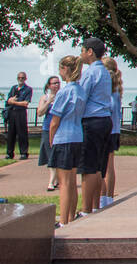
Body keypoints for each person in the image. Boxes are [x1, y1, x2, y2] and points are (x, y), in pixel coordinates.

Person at [76, 38, 113, 216]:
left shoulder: (90, 73)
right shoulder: (105, 72)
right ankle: (96, 205)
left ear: (90, 52)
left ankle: (85, 210)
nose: (81, 53)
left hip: (92, 122)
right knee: (98, 166)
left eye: (82, 50)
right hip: (105, 120)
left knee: (88, 168)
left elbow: (81, 98)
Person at [47, 57, 84, 226]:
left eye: (60, 68)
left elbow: (54, 122)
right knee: (72, 181)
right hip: (77, 136)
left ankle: (62, 221)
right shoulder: (80, 90)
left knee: (64, 183)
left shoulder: (64, 91)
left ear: (65, 69)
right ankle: (70, 218)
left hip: (63, 138)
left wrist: (51, 141)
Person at [101, 57, 123, 207]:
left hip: (107, 130)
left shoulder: (108, 91)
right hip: (115, 130)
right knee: (109, 166)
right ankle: (108, 197)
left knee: (102, 167)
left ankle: (104, 198)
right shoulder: (117, 90)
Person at [37, 75, 62, 192]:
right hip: (48, 129)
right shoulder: (45, 97)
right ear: (49, 85)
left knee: (57, 155)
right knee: (50, 154)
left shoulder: (62, 96)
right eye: (54, 83)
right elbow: (40, 113)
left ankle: (54, 180)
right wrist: (49, 102)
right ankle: (52, 181)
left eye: (58, 83)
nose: (56, 85)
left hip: (60, 128)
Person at [4, 71, 32, 159]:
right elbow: (8, 100)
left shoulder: (28, 89)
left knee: (22, 133)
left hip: (21, 113)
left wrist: (14, 102)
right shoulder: (13, 88)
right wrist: (12, 102)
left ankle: (24, 152)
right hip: (12, 112)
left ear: (25, 79)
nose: (21, 79)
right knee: (11, 134)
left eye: (22, 78)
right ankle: (9, 153)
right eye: (19, 78)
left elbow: (25, 103)